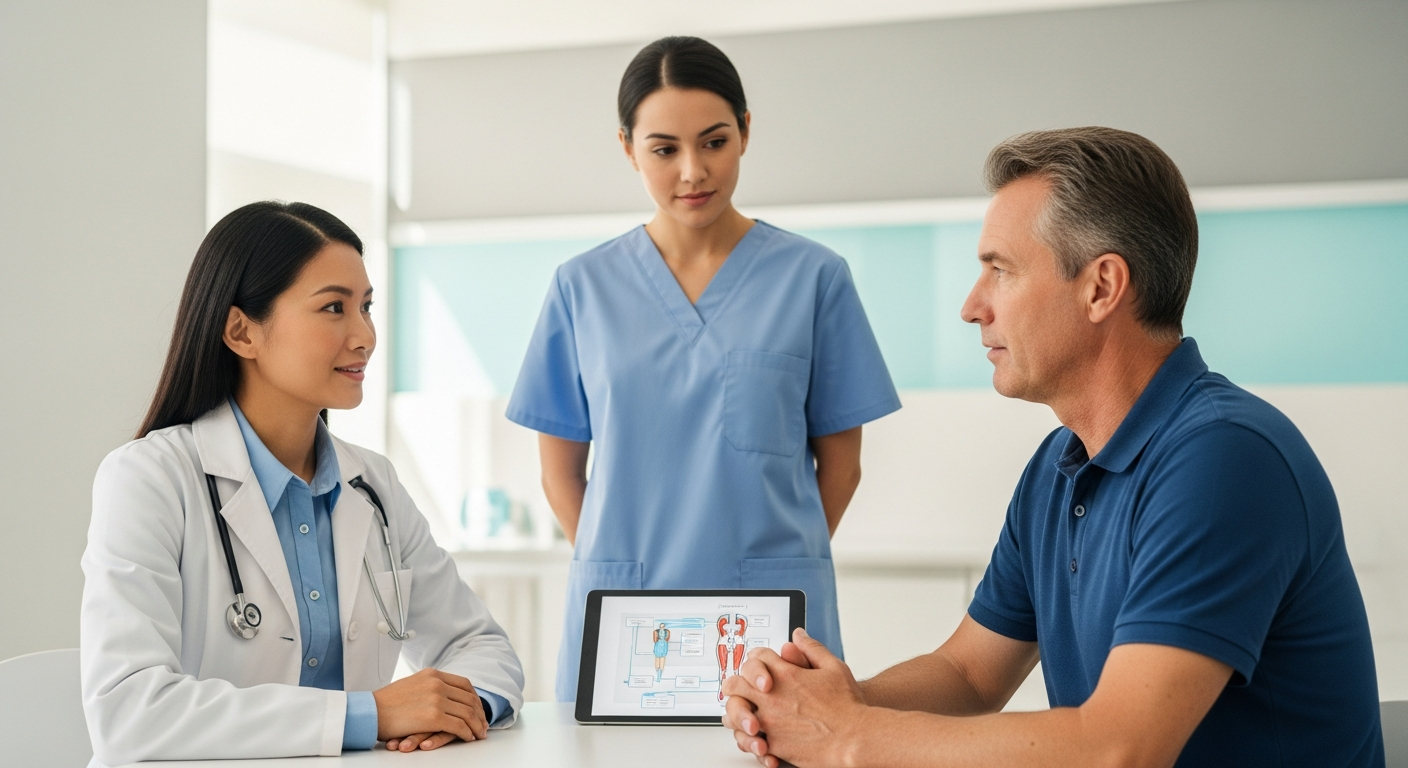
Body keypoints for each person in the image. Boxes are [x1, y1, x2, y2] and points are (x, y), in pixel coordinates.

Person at [721, 128, 1383, 767]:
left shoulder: (1223, 459)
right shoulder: (1059, 467)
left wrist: (849, 738)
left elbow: (1118, 749)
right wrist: (816, 708)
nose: (972, 307)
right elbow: (970, 674)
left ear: (1101, 287)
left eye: (999, 272)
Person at [507, 36, 901, 702]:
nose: (693, 171)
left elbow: (842, 466)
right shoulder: (582, 287)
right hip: (622, 617)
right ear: (628, 148)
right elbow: (559, 472)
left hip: (771, 622)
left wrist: (776, 565)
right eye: (664, 149)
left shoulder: (814, 279)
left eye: (714, 142)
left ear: (745, 132)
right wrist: (621, 571)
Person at [80, 202, 525, 767]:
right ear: (242, 331)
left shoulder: (372, 485)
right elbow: (129, 710)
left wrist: (460, 710)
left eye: (367, 307)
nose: (364, 336)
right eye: (334, 308)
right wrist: (373, 715)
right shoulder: (149, 479)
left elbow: (480, 645)